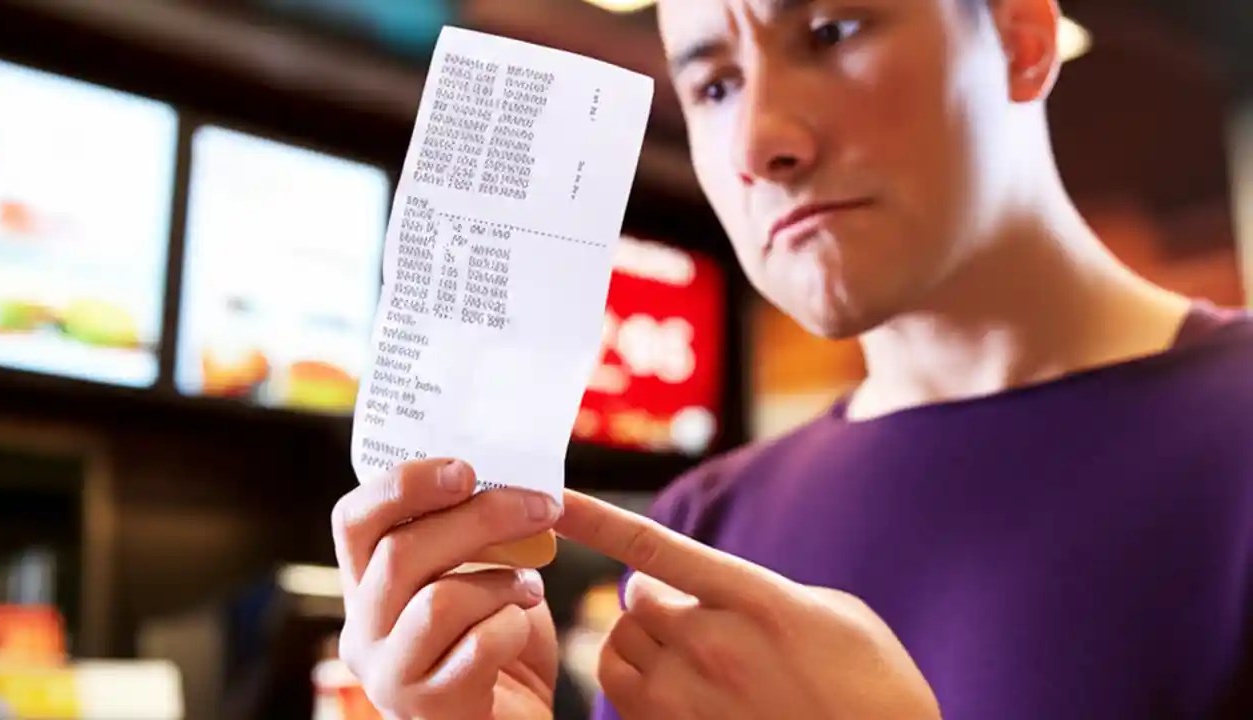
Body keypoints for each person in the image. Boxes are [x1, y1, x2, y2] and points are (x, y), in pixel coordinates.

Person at [330, 0, 1253, 717]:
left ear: (1020, 35)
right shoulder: (702, 526)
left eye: (831, 32)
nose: (759, 141)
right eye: (714, 86)